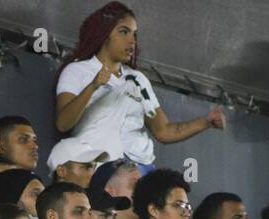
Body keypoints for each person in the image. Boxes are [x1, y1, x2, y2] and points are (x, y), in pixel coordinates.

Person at [55, 3, 223, 168]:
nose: (132, 41)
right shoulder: (77, 70)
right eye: (124, 32)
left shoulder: (138, 79)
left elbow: (163, 131)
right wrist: (93, 86)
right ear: (104, 34)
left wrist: (206, 122)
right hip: (101, 167)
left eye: (134, 34)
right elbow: (63, 124)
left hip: (141, 168)